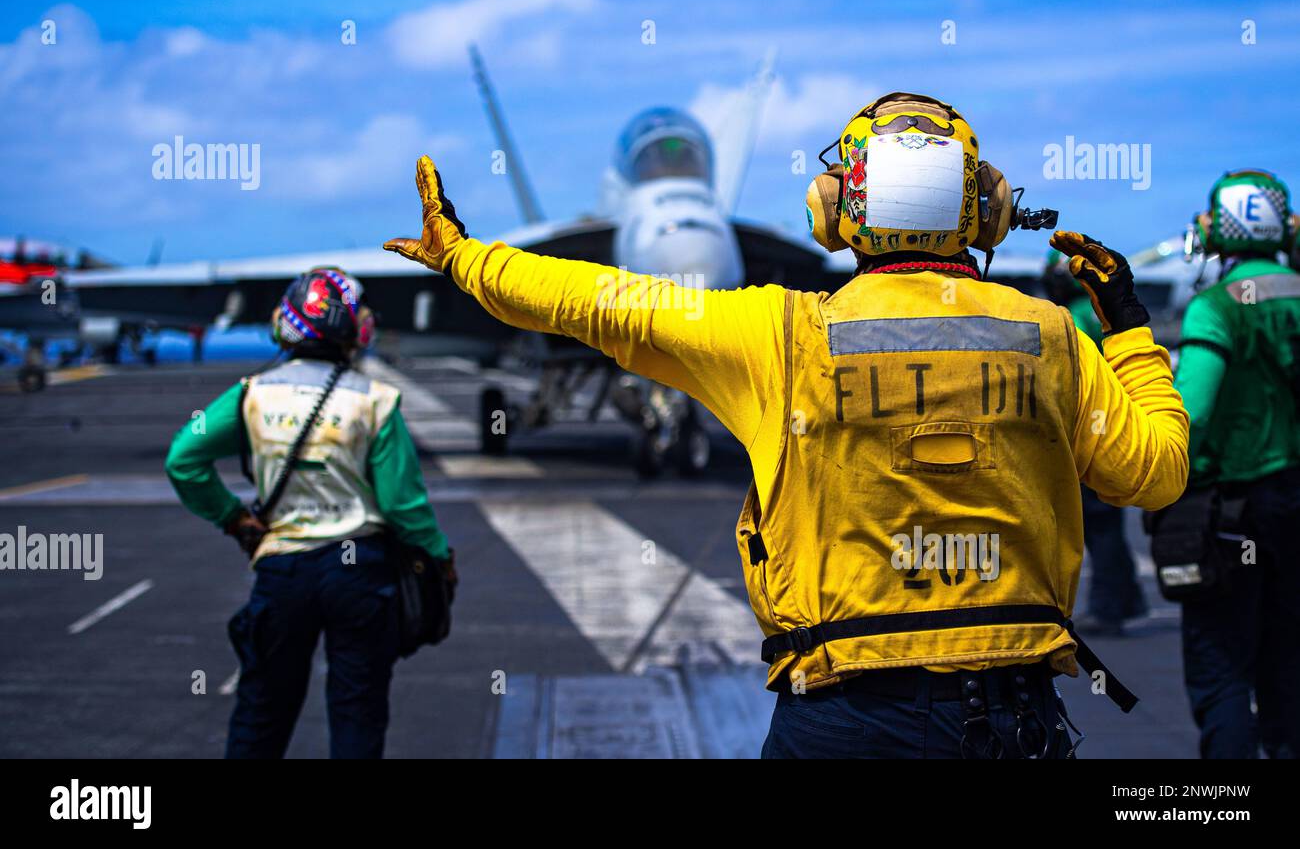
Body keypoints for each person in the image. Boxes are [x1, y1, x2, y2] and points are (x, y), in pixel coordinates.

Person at [385, 93, 1188, 759]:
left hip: (845, 720)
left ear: (842, 209)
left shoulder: (781, 335)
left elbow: (598, 301)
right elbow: (1156, 475)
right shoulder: (1051, 339)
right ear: (982, 211)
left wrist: (465, 257)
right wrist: (1128, 331)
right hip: (1014, 721)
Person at [164, 267, 453, 759]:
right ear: (353, 328)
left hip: (283, 571)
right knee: (357, 716)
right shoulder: (375, 402)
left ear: (287, 323)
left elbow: (183, 460)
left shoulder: (251, 395)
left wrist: (234, 519)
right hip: (360, 575)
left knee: (260, 715)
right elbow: (404, 505)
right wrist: (440, 558)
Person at [1170, 170, 1300, 759]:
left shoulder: (1216, 306)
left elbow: (1189, 413)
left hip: (1232, 515)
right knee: (1290, 660)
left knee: (1223, 665)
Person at [1043, 253, 1147, 635]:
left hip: (1084, 433)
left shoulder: (1071, 318)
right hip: (1103, 428)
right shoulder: (1090, 312)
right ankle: (1124, 598)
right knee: (1108, 527)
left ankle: (1109, 606)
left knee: (1098, 527)